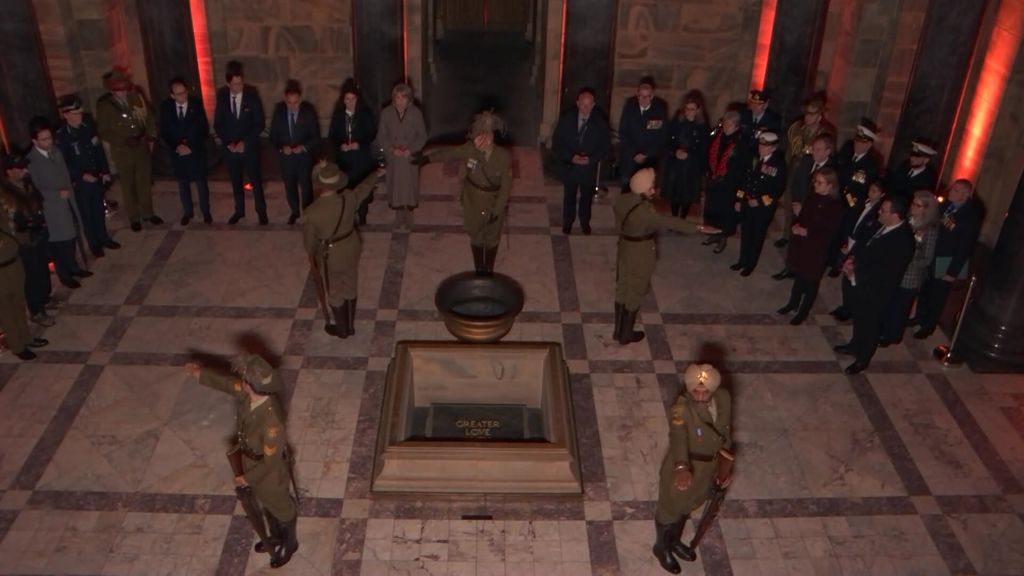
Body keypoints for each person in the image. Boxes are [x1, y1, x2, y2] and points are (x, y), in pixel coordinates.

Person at [185, 353, 298, 568]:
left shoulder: (272, 425)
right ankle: (276, 536)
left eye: (244, 378)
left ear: (250, 385)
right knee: (268, 505)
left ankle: (289, 543)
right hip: (251, 460)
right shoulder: (251, 395)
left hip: (269, 474)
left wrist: (247, 478)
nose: (241, 381)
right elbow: (228, 384)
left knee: (281, 507)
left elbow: (271, 463)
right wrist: (200, 373)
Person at [613, 168, 712, 345]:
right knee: (635, 290)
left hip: (625, 247)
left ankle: (618, 330)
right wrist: (699, 227)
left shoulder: (622, 199)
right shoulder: (645, 211)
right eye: (651, 187)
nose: (654, 190)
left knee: (623, 286)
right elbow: (669, 222)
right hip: (641, 252)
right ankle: (626, 334)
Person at [653, 363, 734, 573]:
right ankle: (662, 547)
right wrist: (681, 467)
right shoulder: (681, 409)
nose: (699, 396)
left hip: (709, 467)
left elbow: (725, 432)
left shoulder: (723, 398)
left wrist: (725, 467)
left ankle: (674, 541)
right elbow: (678, 437)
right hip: (686, 465)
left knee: (687, 506)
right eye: (695, 391)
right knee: (670, 508)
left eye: (705, 391)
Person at [420, 111, 512, 275]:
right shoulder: (470, 149)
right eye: (474, 137)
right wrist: (427, 159)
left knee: (492, 237)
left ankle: (488, 269)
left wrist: (497, 210)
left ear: (489, 137)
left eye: (479, 137)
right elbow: (449, 153)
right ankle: (479, 268)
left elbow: (506, 187)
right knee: (475, 234)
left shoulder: (503, 157)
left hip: (492, 201)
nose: (475, 141)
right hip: (472, 200)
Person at [835, 196, 915, 374]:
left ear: (895, 215)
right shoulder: (881, 224)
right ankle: (854, 345)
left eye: (883, 211)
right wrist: (852, 259)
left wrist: (856, 275)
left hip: (876, 290)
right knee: (858, 317)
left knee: (869, 325)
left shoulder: (903, 241)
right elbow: (864, 243)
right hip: (860, 281)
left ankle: (863, 358)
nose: (879, 212)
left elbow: (886, 271)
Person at [303, 162, 381, 338]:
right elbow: (364, 188)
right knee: (351, 283)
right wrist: (376, 174)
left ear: (319, 185)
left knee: (335, 291)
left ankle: (342, 329)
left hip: (330, 255)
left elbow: (309, 242)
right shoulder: (349, 198)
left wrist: (312, 254)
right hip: (351, 247)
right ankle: (350, 325)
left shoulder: (312, 212)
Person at [27, 119, 93, 290]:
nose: (48, 142)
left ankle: (74, 266)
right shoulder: (31, 161)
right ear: (35, 141)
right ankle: (65, 274)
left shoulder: (55, 151)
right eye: (44, 139)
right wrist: (55, 194)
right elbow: (35, 188)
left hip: (67, 200)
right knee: (60, 243)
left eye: (49, 138)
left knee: (71, 236)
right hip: (52, 207)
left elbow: (64, 174)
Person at [911, 178, 981, 339]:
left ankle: (928, 325)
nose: (951, 192)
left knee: (938, 295)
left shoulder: (970, 215)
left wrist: (953, 271)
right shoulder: (945, 206)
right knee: (925, 289)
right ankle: (919, 317)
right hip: (933, 253)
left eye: (956, 191)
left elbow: (965, 246)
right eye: (952, 188)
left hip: (948, 260)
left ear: (966, 194)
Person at [94, 66, 161, 232]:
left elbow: (149, 116)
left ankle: (148, 213)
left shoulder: (136, 96)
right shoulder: (105, 106)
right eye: (119, 90)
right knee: (128, 186)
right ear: (112, 90)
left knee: (143, 182)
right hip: (123, 151)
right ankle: (134, 217)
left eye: (125, 89)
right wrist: (124, 140)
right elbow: (103, 131)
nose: (123, 93)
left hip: (141, 147)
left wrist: (150, 136)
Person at [55, 94, 121, 256]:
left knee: (99, 209)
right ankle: (94, 243)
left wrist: (104, 171)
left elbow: (98, 151)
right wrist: (80, 175)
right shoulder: (62, 136)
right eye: (75, 113)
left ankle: (103, 237)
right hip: (80, 183)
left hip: (96, 177)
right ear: (66, 115)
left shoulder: (87, 127)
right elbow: (63, 163)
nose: (79, 116)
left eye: (80, 112)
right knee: (87, 214)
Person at [777, 167, 844, 325]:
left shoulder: (836, 206)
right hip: (802, 245)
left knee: (811, 282)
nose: (815, 185)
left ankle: (803, 312)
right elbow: (802, 216)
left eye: (820, 182)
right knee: (799, 277)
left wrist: (808, 232)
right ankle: (792, 303)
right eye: (815, 181)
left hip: (817, 250)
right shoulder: (812, 197)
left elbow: (830, 231)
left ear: (830, 186)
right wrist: (796, 225)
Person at [879, 190, 940, 345]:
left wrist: (907, 257)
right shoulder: (907, 220)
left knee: (900, 308)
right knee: (889, 303)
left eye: (917, 205)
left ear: (926, 209)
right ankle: (883, 329)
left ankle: (892, 336)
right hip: (894, 270)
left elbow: (927, 259)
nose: (912, 207)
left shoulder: (929, 229)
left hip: (910, 275)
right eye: (913, 203)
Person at [1, 152, 55, 327]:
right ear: (9, 171)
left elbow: (38, 199)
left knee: (43, 269)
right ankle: (37, 310)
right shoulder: (5, 194)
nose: (25, 170)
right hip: (23, 241)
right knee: (33, 276)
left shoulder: (26, 182)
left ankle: (46, 298)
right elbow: (10, 222)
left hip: (38, 233)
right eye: (20, 168)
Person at [214, 60, 268, 225]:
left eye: (240, 83)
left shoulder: (252, 98)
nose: (238, 87)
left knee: (255, 180)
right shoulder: (222, 98)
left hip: (249, 148)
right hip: (231, 150)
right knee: (236, 181)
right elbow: (218, 124)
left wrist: (245, 142)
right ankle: (239, 211)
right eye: (235, 84)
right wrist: (228, 143)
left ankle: (261, 212)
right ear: (228, 84)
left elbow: (259, 124)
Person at [552, 87, 610, 235]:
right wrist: (571, 157)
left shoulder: (600, 123)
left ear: (593, 105)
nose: (586, 108)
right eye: (583, 105)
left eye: (589, 105)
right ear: (578, 103)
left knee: (586, 197)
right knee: (569, 196)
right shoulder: (567, 119)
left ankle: (585, 222)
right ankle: (568, 221)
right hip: (570, 166)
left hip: (588, 169)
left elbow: (605, 147)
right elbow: (557, 143)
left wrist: (591, 159)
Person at [828, 119, 883, 276]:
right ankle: (828, 258)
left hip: (853, 204)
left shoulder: (870, 164)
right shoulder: (847, 151)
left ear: (869, 144)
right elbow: (837, 169)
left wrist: (849, 197)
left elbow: (862, 187)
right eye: (856, 141)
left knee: (844, 234)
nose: (856, 145)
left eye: (861, 142)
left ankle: (837, 264)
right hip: (837, 198)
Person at [0, 195, 49, 361]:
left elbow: (11, 231)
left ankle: (26, 337)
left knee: (19, 303)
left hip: (15, 263)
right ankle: (17, 346)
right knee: (7, 309)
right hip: (1, 270)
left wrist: (28, 235)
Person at [158, 77, 212, 226]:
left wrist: (190, 146)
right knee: (183, 184)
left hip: (196, 151)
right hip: (178, 153)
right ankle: (188, 212)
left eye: (184, 92)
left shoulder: (196, 104)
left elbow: (203, 129)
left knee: (201, 183)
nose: (183, 96)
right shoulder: (166, 107)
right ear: (172, 95)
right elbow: (164, 131)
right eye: (179, 94)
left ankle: (206, 211)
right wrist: (177, 146)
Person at [830, 179, 886, 322]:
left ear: (882, 195)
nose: (870, 193)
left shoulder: (878, 213)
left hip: (859, 246)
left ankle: (849, 309)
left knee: (852, 278)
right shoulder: (864, 203)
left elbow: (868, 233)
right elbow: (854, 218)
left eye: (874, 191)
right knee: (845, 277)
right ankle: (845, 306)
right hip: (851, 240)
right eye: (870, 190)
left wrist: (853, 247)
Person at [732, 130, 786, 276]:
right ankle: (742, 260)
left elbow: (777, 191)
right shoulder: (754, 158)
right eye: (760, 145)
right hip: (748, 203)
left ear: (773, 148)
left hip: (763, 208)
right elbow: (745, 182)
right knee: (746, 233)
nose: (761, 148)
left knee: (756, 236)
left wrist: (760, 201)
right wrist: (739, 199)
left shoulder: (778, 166)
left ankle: (751, 264)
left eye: (765, 146)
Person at [269, 79, 321, 225]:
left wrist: (303, 147)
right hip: (286, 159)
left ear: (300, 99)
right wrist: (281, 147)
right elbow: (273, 136)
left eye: (296, 102)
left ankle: (308, 212)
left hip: (303, 158)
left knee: (306, 186)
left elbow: (316, 137)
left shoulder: (308, 112)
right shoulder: (279, 112)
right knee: (290, 186)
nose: (292, 107)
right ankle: (294, 211)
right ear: (285, 99)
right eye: (289, 103)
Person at [328, 78, 377, 226]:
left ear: (357, 99)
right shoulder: (338, 115)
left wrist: (359, 144)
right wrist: (340, 145)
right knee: (346, 190)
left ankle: (362, 215)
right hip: (344, 160)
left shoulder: (365, 114)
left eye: (353, 99)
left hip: (361, 158)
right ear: (343, 100)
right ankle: (348, 216)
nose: (350, 102)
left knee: (361, 188)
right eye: (347, 99)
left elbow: (371, 134)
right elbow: (332, 135)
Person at [378, 83, 427, 231]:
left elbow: (422, 136)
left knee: (410, 187)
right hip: (394, 157)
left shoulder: (416, 113)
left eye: (403, 98)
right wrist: (391, 149)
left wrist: (411, 149)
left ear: (409, 99)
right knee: (395, 187)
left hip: (409, 156)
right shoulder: (386, 113)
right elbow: (381, 136)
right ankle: (399, 214)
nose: (400, 101)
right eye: (397, 97)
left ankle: (409, 214)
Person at [774, 133, 834, 250]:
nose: (814, 152)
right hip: (798, 207)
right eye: (813, 148)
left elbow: (826, 198)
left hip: (814, 214)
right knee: (794, 239)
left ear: (827, 151)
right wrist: (796, 202)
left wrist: (804, 208)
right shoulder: (806, 160)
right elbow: (795, 182)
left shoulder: (831, 170)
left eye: (818, 150)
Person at [702, 110, 748, 254]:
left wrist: (739, 192)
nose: (726, 127)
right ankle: (713, 233)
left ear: (736, 127)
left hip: (729, 185)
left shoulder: (740, 144)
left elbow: (742, 169)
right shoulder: (717, 136)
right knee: (712, 210)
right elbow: (709, 153)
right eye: (725, 124)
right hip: (714, 180)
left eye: (730, 125)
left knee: (725, 213)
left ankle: (722, 237)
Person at [660, 90, 709, 220]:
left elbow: (703, 148)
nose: (689, 112)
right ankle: (674, 218)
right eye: (687, 109)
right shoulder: (677, 122)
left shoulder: (702, 126)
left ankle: (682, 219)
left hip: (691, 166)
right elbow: (668, 141)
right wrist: (675, 151)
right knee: (674, 194)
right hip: (676, 165)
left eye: (692, 109)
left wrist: (690, 155)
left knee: (687, 195)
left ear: (698, 110)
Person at [617, 76, 669, 188]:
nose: (644, 99)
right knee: (627, 190)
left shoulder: (660, 110)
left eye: (647, 96)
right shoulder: (629, 108)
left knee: (646, 191)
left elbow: (662, 136)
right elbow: (623, 132)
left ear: (652, 96)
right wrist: (634, 153)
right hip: (630, 159)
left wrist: (646, 153)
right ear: (637, 95)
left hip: (649, 160)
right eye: (641, 96)